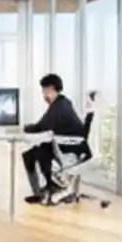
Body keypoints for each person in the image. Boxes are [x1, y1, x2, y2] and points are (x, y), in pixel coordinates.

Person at [21, 73, 87, 203]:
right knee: (33, 153)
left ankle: (46, 189)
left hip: (69, 147)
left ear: (51, 88)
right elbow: (43, 125)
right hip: (65, 144)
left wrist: (23, 128)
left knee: (37, 152)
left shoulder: (60, 105)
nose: (43, 95)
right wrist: (27, 128)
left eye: (44, 91)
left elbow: (42, 126)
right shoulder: (61, 103)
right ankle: (43, 191)